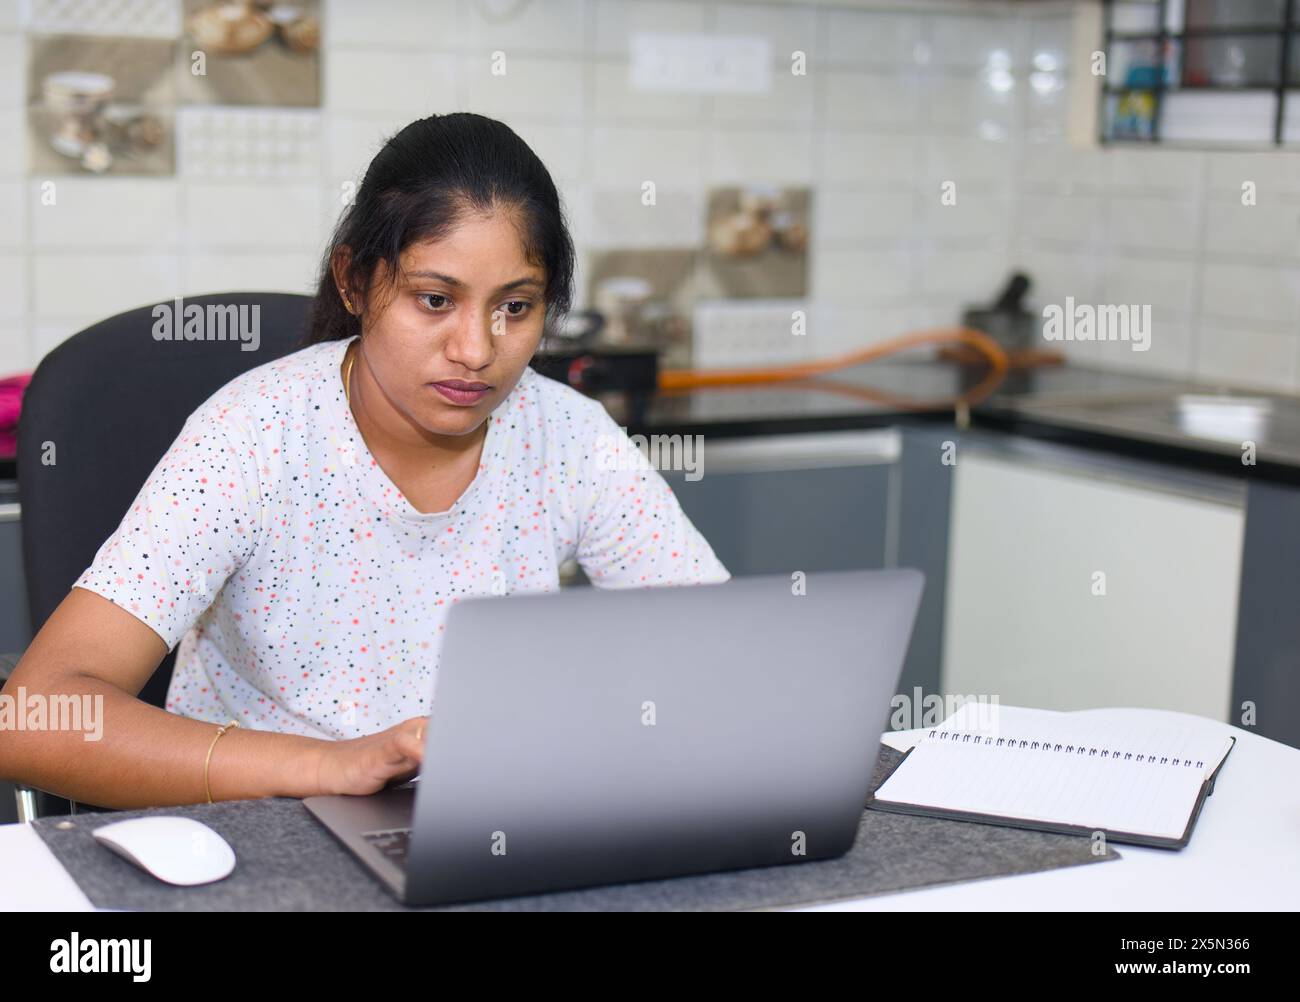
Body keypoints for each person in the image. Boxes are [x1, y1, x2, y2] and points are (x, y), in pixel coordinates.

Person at [0, 113, 729, 810]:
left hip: (486, 828)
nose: (476, 350)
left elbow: (722, 655)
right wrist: (326, 768)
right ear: (355, 281)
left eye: (515, 308)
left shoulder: (569, 435)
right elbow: (32, 718)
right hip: (265, 829)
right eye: (435, 299)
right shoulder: (254, 435)